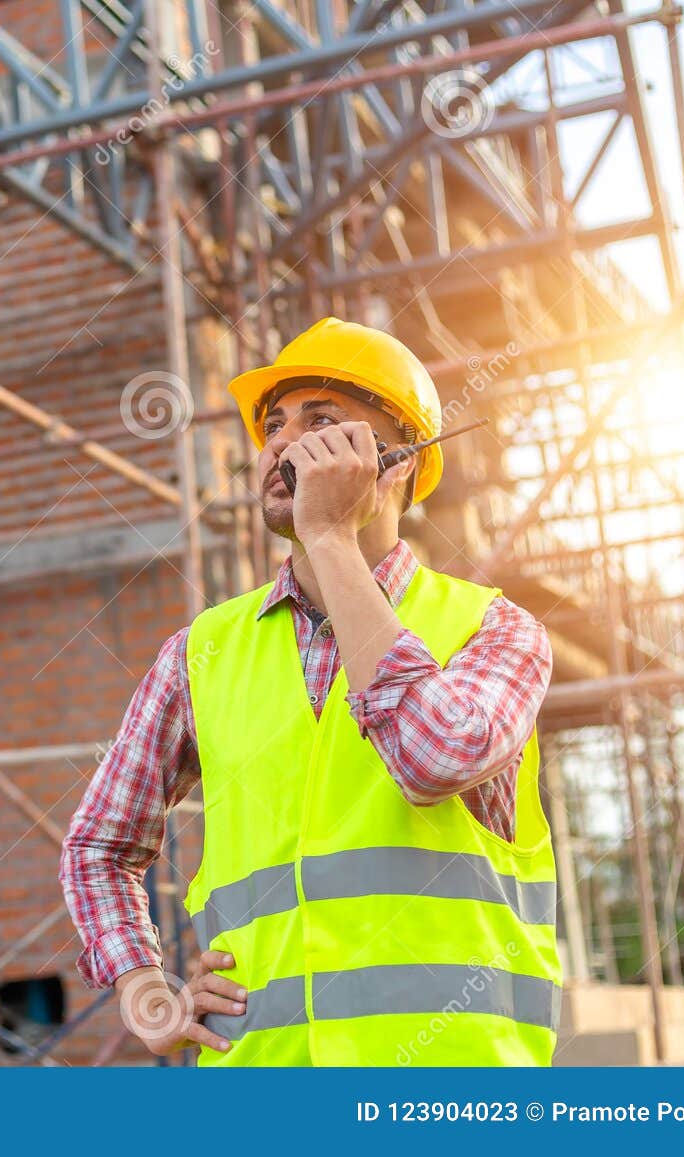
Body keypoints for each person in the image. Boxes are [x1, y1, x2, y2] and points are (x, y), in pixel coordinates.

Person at [59, 317, 560, 1066]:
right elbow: (98, 844)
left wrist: (330, 537)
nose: (283, 444)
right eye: (274, 424)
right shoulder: (200, 653)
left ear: (395, 464)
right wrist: (144, 989)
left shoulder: (495, 629)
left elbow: (434, 758)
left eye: (321, 422)